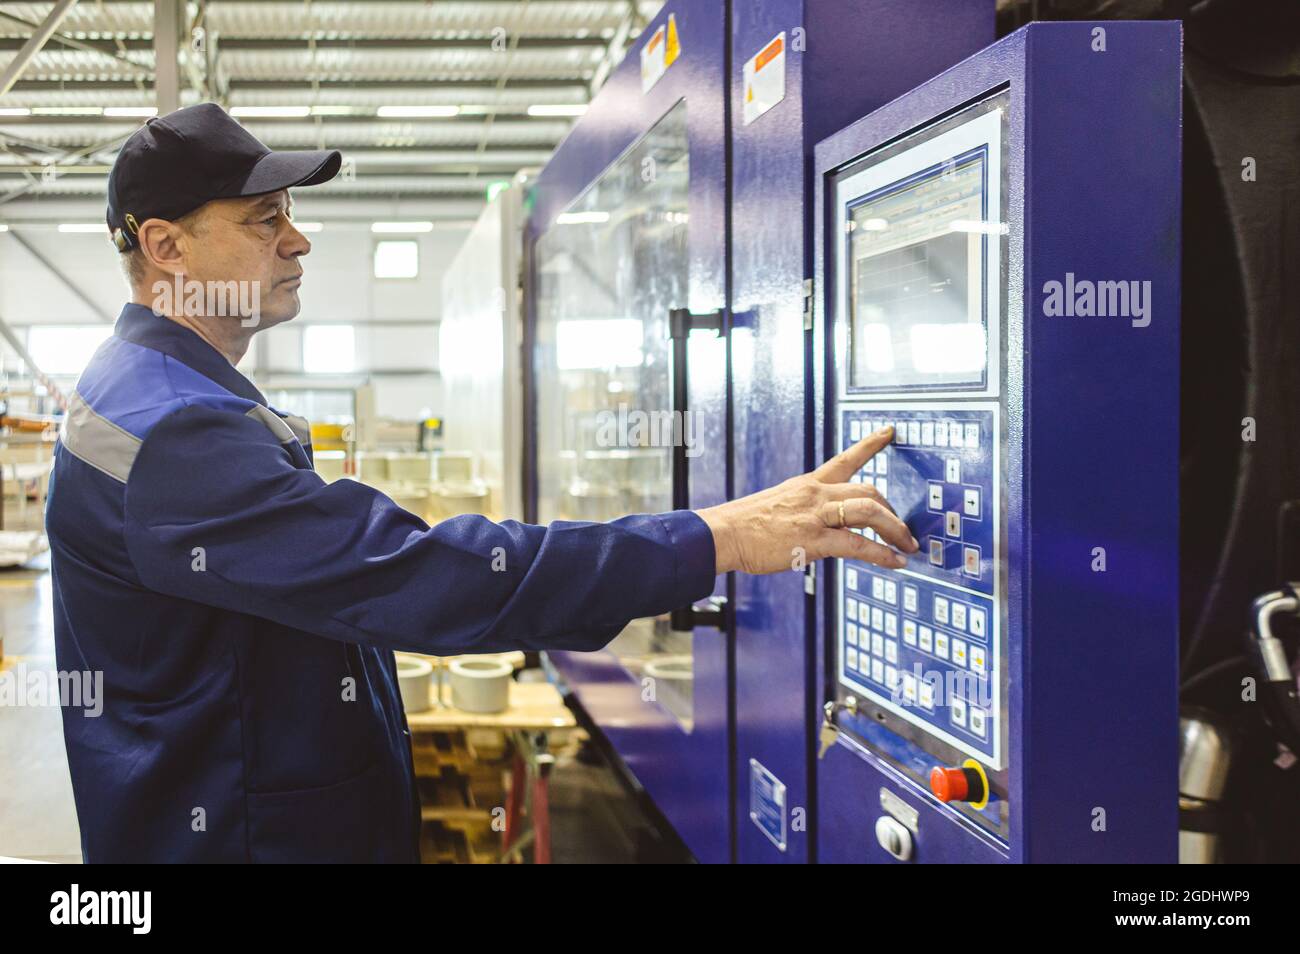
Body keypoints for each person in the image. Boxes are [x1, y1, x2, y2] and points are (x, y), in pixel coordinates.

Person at [46, 103, 918, 862]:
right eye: (264, 217)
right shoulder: (171, 431)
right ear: (165, 246)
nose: (298, 238)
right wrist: (718, 537)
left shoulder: (160, 391)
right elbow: (417, 578)